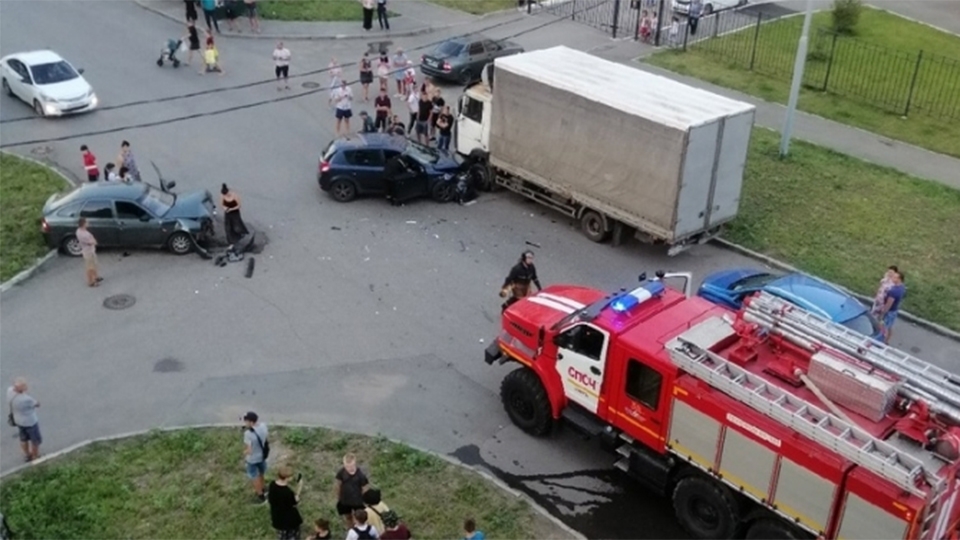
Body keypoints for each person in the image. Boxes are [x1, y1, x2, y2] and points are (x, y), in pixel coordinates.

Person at [9, 378, 41, 463]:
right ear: (22, 389)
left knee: (23, 439)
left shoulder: (10, 392)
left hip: (18, 420)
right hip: (30, 422)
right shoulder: (26, 399)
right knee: (35, 440)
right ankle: (35, 456)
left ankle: (27, 454)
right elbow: (37, 404)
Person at [335, 453, 370, 528]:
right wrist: (338, 497)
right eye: (347, 467)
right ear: (344, 465)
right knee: (348, 517)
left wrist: (365, 500)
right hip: (345, 500)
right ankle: (350, 529)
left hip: (358, 502)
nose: (350, 468)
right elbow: (338, 485)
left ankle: (359, 530)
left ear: (355, 464)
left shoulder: (361, 475)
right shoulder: (341, 472)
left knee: (359, 518)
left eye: (352, 466)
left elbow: (365, 488)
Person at [269, 466, 303, 540]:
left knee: (281, 535)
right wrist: (299, 488)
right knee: (292, 535)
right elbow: (295, 501)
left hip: (277, 516)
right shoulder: (287, 492)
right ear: (287, 478)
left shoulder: (272, 485)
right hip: (289, 519)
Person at [242, 411, 269, 504]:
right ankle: (263, 487)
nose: (245, 423)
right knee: (261, 473)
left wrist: (244, 453)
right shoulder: (263, 426)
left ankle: (260, 495)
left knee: (254, 476)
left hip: (252, 459)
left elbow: (249, 451)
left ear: (251, 422)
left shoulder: (248, 434)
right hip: (262, 456)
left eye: (246, 421)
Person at [877, 269, 907, 344]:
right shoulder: (902, 287)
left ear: (899, 279)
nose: (892, 278)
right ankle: (887, 340)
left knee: (883, 327)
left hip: (889, 312)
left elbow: (888, 305)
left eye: (894, 277)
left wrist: (882, 314)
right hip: (894, 310)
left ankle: (880, 342)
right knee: (889, 326)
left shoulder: (893, 291)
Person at [76, 218, 102, 287]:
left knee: (94, 265)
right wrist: (94, 241)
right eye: (87, 222)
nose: (88, 223)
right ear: (83, 224)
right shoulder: (84, 234)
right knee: (90, 267)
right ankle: (91, 282)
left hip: (89, 251)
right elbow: (92, 242)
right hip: (88, 252)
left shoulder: (79, 231)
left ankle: (96, 277)